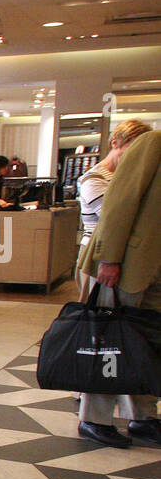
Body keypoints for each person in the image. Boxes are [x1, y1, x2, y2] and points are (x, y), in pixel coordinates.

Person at [76, 127, 161, 448]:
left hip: (154, 266)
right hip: (126, 262)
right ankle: (94, 418)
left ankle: (144, 416)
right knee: (110, 338)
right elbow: (120, 203)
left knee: (148, 340)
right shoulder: (153, 143)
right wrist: (109, 258)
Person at [75, 119, 151, 300]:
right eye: (132, 148)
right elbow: (112, 220)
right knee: (100, 314)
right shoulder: (94, 179)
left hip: (113, 253)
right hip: (97, 253)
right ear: (115, 143)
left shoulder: (126, 177)